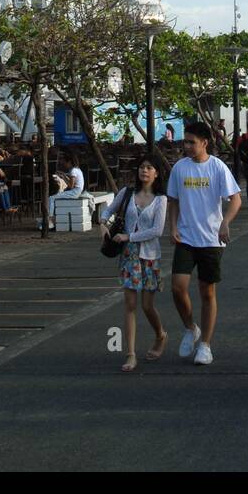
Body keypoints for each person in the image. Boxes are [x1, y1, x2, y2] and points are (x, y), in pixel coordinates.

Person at [167, 120, 241, 365]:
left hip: (211, 239)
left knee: (207, 291)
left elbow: (236, 199)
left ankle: (205, 345)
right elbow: (174, 200)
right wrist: (173, 226)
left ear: (204, 143)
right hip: (186, 236)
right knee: (178, 287)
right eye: (185, 142)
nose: (187, 146)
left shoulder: (217, 167)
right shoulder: (180, 168)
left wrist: (225, 222)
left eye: (191, 142)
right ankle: (191, 327)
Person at [102, 155, 168, 372]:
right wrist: (102, 224)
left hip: (149, 256)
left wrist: (128, 237)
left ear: (156, 173)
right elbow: (108, 210)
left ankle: (160, 335)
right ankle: (130, 354)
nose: (145, 171)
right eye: (142, 167)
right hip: (129, 257)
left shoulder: (161, 199)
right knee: (130, 305)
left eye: (149, 168)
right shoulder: (127, 193)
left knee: (147, 306)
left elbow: (157, 231)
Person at [46, 149, 85, 229]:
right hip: (76, 191)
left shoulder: (73, 171)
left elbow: (71, 185)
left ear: (69, 162)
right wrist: (64, 174)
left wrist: (63, 177)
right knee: (55, 197)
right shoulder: (77, 169)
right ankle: (53, 219)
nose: (64, 165)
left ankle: (50, 220)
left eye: (65, 162)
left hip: (75, 192)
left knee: (51, 198)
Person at [0, 146, 19, 216]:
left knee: (4, 186)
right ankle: (5, 209)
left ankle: (8, 208)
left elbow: (0, 159)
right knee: (1, 186)